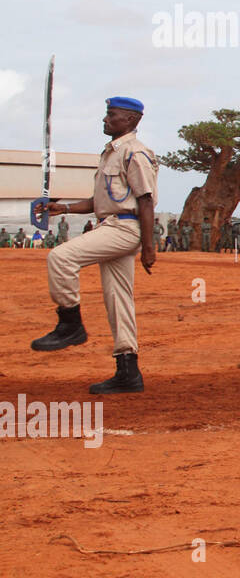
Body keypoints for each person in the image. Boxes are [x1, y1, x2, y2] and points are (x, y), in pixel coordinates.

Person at [30, 96, 157, 394]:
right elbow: (100, 202)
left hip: (125, 229)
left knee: (60, 257)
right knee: (118, 301)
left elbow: (146, 201)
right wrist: (65, 209)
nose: (105, 119)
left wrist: (149, 247)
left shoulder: (135, 153)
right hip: (111, 225)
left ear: (130, 120)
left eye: (111, 114)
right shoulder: (109, 154)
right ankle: (128, 372)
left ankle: (70, 324)